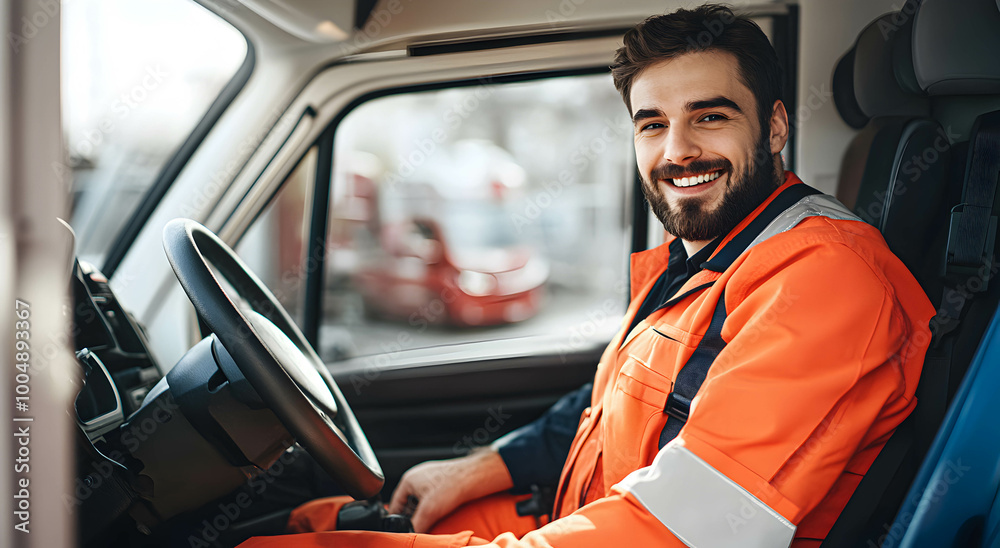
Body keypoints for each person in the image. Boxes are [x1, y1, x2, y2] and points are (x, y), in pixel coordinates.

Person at [240, 4, 934, 547]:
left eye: (710, 116)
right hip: (589, 515)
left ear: (776, 127)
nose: (678, 150)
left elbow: (684, 532)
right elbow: (616, 402)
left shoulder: (824, 279)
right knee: (319, 522)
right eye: (651, 124)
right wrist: (484, 465)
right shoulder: (705, 254)